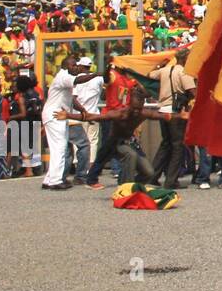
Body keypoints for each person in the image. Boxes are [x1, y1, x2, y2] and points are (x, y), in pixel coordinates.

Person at [73, 85, 187, 189]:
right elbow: (92, 117)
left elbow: (164, 117)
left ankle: (134, 185)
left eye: (139, 109)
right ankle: (124, 186)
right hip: (115, 143)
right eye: (134, 109)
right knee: (121, 156)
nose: (136, 112)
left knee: (149, 172)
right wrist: (68, 115)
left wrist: (180, 116)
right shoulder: (119, 114)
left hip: (130, 142)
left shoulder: (144, 113)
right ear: (129, 105)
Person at [150, 49, 194, 189]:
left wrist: (159, 65)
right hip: (176, 112)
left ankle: (152, 176)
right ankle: (171, 180)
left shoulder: (164, 70)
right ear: (185, 59)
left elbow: (150, 75)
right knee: (177, 146)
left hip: (163, 110)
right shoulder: (184, 72)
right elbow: (192, 91)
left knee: (166, 144)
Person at [40, 56, 80, 191]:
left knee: (58, 147)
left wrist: (83, 111)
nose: (75, 67)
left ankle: (49, 179)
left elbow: (72, 101)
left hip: (57, 114)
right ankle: (56, 181)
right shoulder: (63, 76)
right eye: (73, 65)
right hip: (55, 115)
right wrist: (96, 75)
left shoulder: (65, 77)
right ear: (65, 66)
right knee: (59, 147)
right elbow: (79, 79)